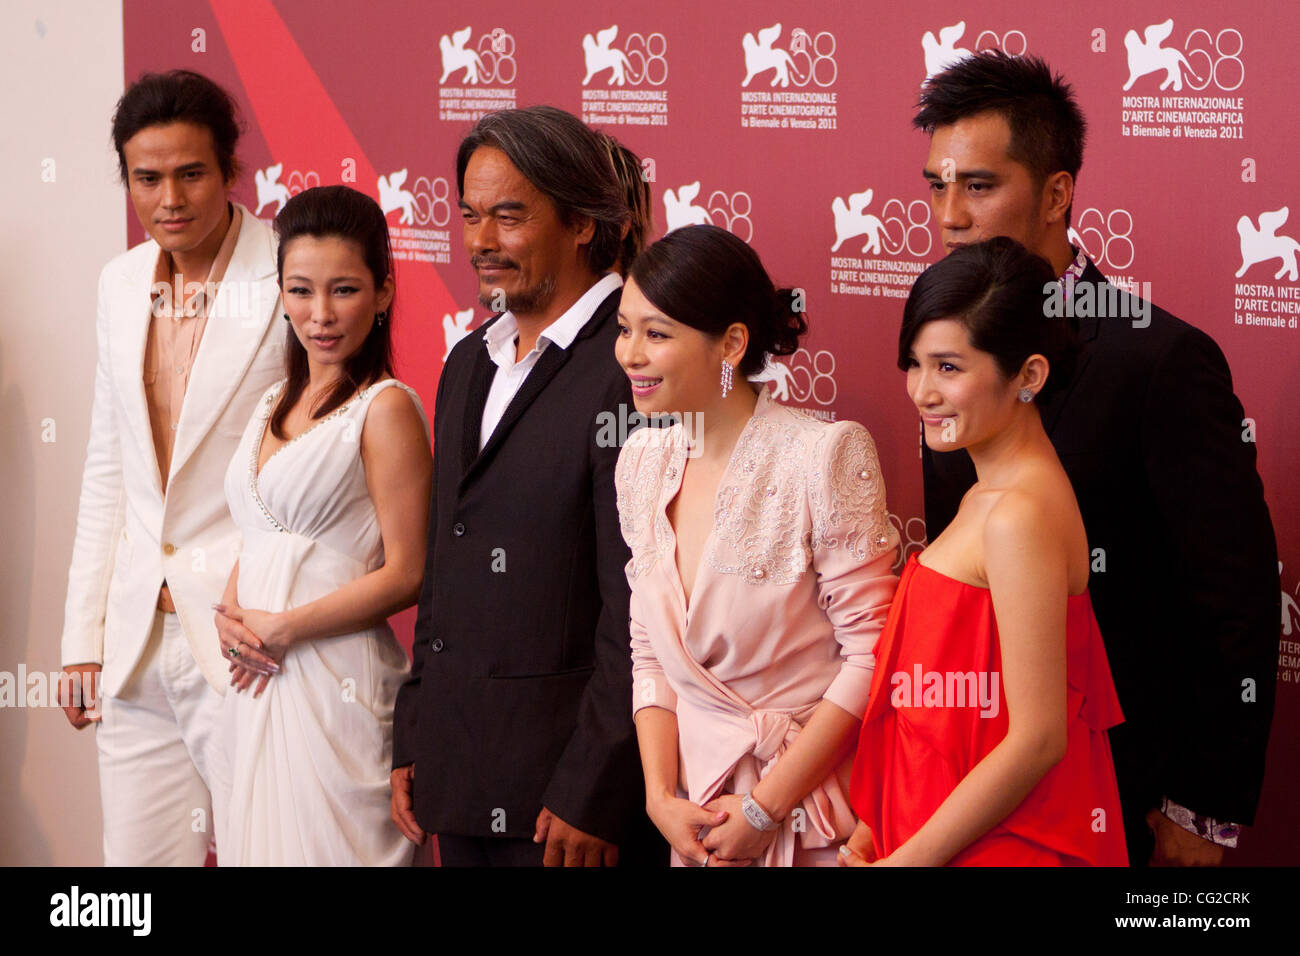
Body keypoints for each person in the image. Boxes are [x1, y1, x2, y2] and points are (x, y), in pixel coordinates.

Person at [912, 51, 1278, 866]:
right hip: (973, 782)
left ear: (1055, 192)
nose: (949, 216)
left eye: (977, 185)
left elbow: (1237, 601)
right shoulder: (947, 355)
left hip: (1130, 791)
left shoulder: (1162, 360)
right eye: (937, 186)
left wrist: (1201, 810)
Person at [390, 106, 665, 867]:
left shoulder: (632, 367)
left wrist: (596, 783)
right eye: (471, 216)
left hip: (566, 809)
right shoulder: (467, 363)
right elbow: (448, 567)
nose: (481, 242)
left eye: (509, 216)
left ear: (581, 223)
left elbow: (640, 601)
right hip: (461, 772)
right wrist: (418, 730)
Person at [615, 224, 899, 866]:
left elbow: (871, 656)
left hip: (811, 815)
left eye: (656, 333)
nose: (631, 353)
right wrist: (660, 797)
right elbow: (649, 657)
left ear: (732, 344)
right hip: (697, 815)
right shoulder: (640, 461)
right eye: (624, 328)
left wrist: (764, 807)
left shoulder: (821, 453)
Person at [59, 69, 285, 865]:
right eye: (147, 178)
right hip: (135, 641)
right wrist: (82, 635)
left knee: (267, 852)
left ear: (230, 170)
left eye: (191, 173)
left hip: (247, 636)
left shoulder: (293, 274)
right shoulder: (119, 283)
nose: (170, 199)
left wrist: (266, 593)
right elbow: (108, 468)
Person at [843, 237, 1128, 867]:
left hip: (1000, 848)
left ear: (1028, 374)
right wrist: (882, 824)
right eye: (913, 364)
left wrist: (907, 862)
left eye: (948, 367)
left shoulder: (1018, 515)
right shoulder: (993, 494)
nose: (921, 391)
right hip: (944, 831)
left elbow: (1038, 740)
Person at [212, 185, 431, 865]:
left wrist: (286, 627)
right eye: (301, 290)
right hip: (255, 688)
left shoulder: (385, 407)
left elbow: (409, 572)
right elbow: (260, 531)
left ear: (384, 293)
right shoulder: (272, 402)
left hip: (336, 690)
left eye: (344, 290)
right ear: (280, 292)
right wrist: (230, 608)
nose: (321, 314)